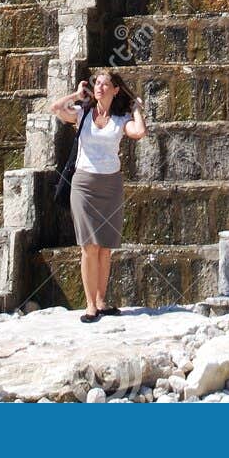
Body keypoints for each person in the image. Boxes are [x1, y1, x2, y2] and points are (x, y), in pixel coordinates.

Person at [52, 69, 146, 323]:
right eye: (98, 84)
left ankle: (102, 301)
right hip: (83, 184)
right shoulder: (82, 113)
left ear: (116, 90)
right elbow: (55, 108)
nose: (100, 88)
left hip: (110, 185)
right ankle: (90, 304)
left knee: (105, 249)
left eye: (106, 84)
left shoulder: (121, 118)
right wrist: (76, 93)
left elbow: (138, 132)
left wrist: (136, 107)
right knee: (88, 247)